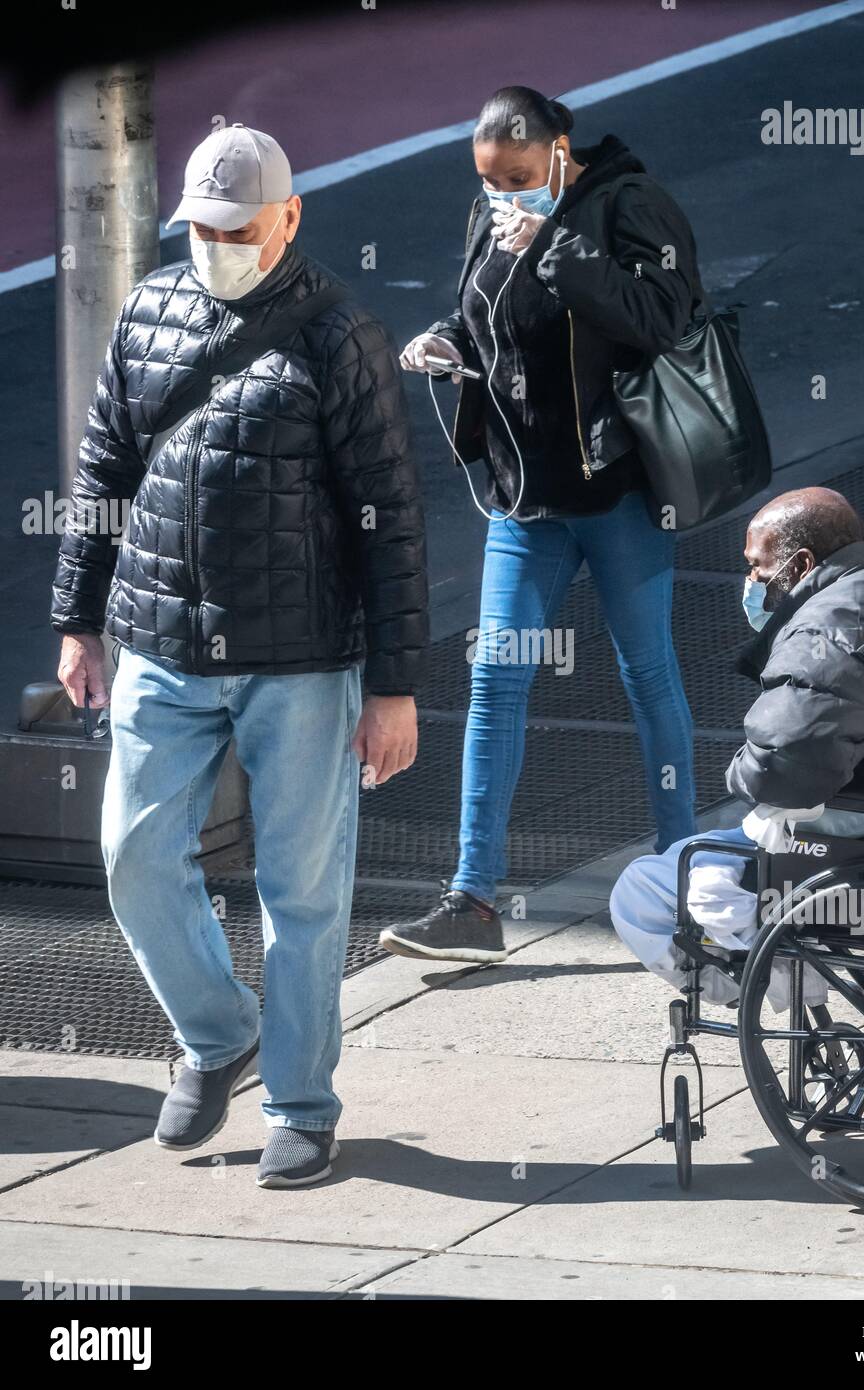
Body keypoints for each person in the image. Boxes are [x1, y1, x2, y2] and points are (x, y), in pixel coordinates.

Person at [51, 124, 428, 1189]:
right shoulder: (151, 309)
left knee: (301, 894)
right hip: (161, 646)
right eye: (202, 226)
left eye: (236, 226)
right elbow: (103, 470)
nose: (215, 242)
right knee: (132, 858)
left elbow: (389, 519)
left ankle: (301, 1106)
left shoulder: (340, 336)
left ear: (288, 218)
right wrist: (78, 618)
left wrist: (392, 686)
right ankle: (222, 1034)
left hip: (301, 662)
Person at [382, 85, 703, 964]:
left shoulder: (629, 204)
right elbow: (492, 317)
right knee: (495, 683)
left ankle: (683, 872)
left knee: (648, 675)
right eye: (490, 183)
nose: (503, 196)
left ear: (562, 150)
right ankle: (472, 898)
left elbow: (664, 321)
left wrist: (559, 249)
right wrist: (449, 342)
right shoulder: (498, 215)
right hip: (527, 501)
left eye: (520, 177)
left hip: (621, 493)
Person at [610, 486, 864, 988]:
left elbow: (782, 772)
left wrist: (739, 768)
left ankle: (764, 986)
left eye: (757, 567)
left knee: (643, 886)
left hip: (853, 843)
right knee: (697, 859)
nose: (751, 582)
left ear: (799, 566)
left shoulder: (822, 630)